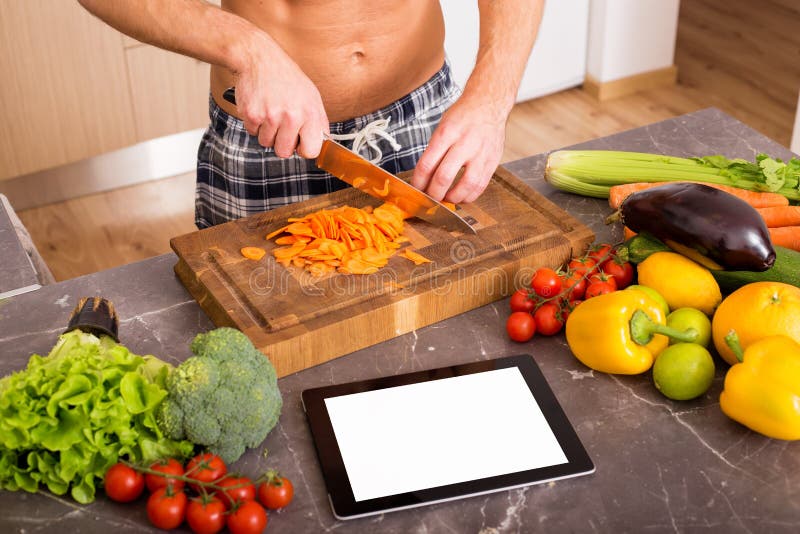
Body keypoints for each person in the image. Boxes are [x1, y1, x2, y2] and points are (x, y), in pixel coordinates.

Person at [78, 0, 544, 228]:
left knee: (446, 330)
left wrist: (491, 97)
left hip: (425, 129)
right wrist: (248, 47)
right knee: (268, 341)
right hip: (267, 137)